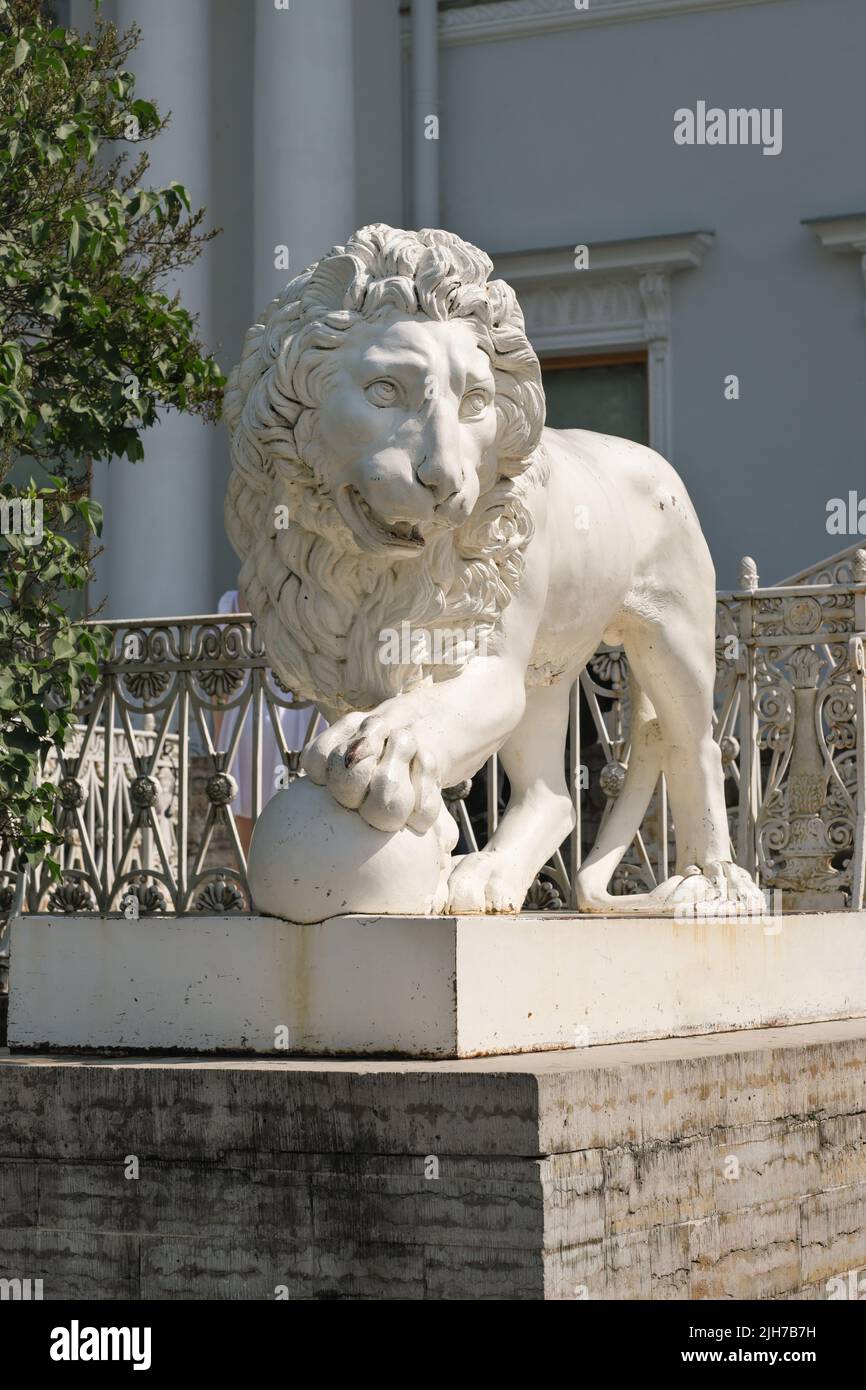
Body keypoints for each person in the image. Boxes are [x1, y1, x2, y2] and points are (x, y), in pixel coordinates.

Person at [213, 589, 323, 854]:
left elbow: (219, 682)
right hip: (274, 713)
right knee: (281, 824)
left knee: (261, 824)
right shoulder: (309, 591)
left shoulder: (233, 602)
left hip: (270, 714)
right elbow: (219, 681)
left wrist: (219, 744)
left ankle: (258, 891)